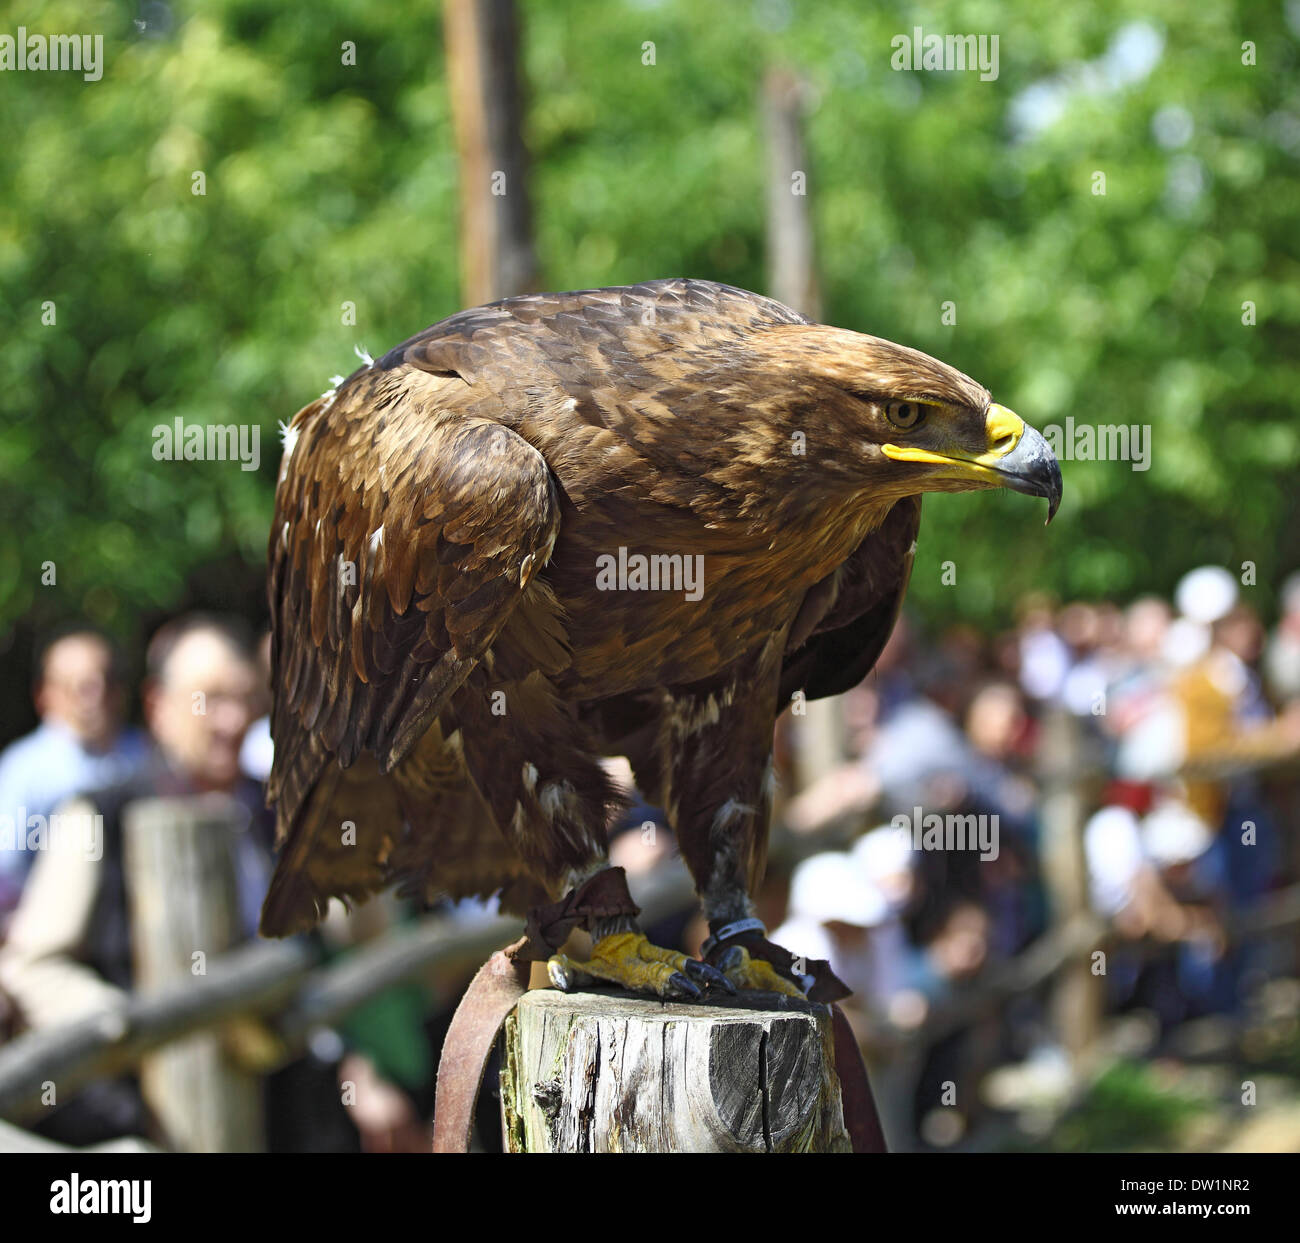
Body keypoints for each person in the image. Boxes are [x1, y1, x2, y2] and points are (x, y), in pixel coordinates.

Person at [0, 629, 147, 921]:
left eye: (104, 682)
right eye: (79, 686)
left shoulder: (143, 754)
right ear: (45, 694)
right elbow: (7, 873)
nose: (94, 696)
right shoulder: (24, 770)